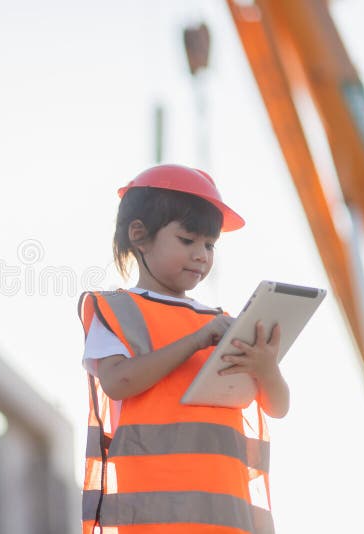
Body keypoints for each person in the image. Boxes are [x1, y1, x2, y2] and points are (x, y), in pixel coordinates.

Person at [78, 164, 287, 534]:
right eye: (188, 240)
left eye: (209, 245)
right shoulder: (114, 308)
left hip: (226, 518)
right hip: (153, 519)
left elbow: (278, 406)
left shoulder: (223, 323)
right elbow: (118, 381)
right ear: (139, 236)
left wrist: (266, 366)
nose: (202, 256)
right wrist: (194, 341)